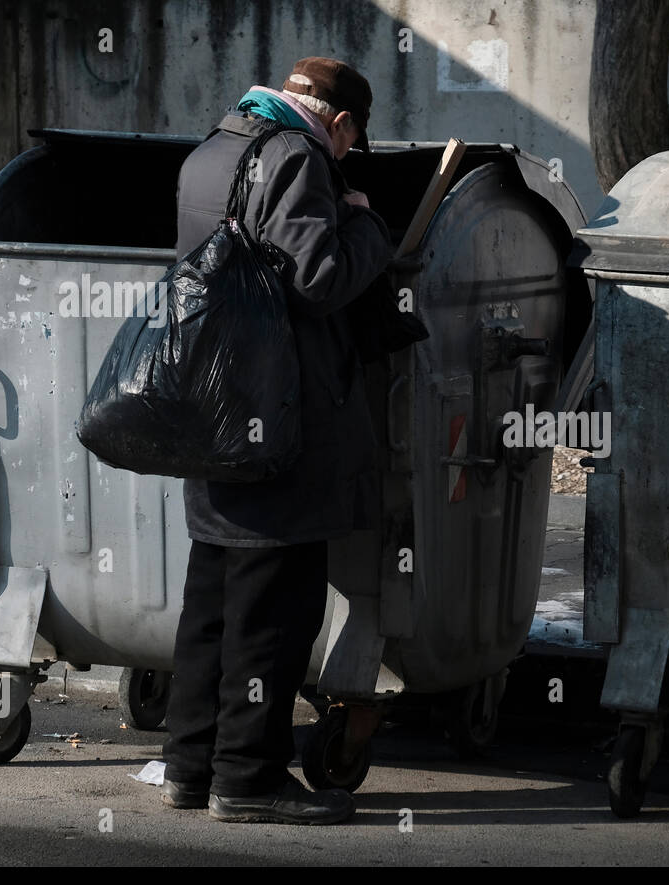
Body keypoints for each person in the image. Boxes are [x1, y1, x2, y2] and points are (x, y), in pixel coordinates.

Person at [159, 57, 391, 825]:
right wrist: (363, 220)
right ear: (340, 123)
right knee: (273, 611)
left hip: (214, 408)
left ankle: (191, 768)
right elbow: (318, 279)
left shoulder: (212, 150)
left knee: (212, 606)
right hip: (281, 418)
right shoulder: (296, 158)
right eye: (351, 143)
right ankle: (249, 781)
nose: (348, 157)